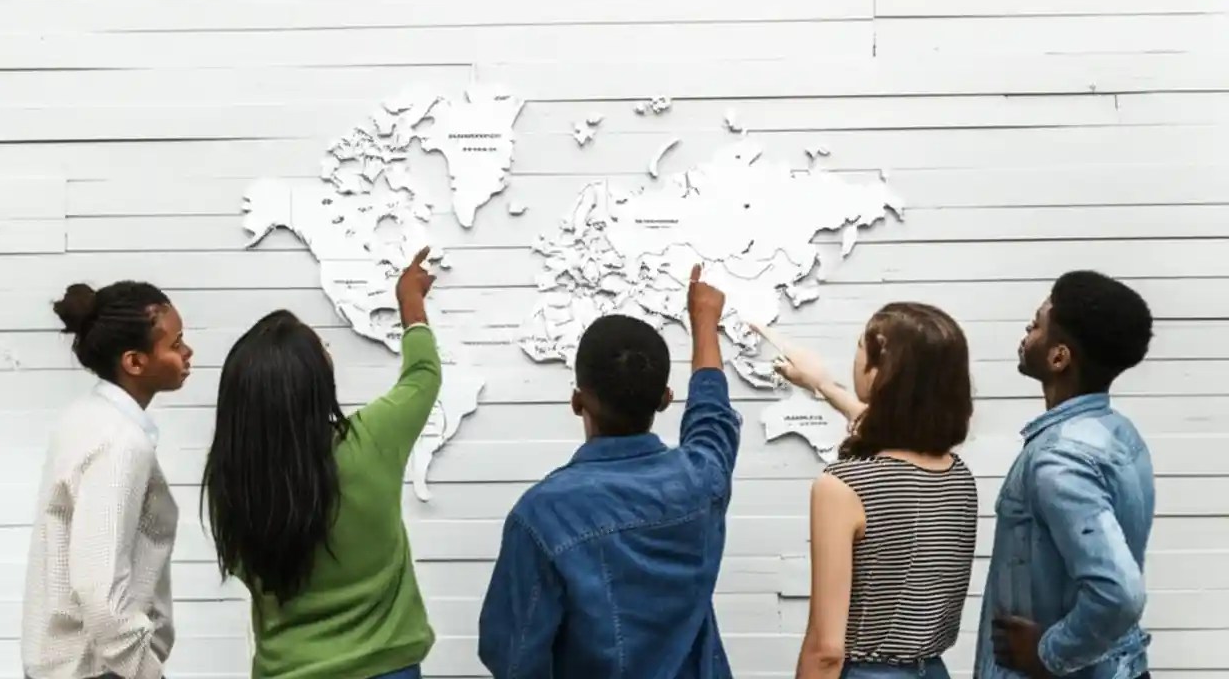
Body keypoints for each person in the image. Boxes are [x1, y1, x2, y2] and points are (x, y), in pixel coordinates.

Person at [477, 265, 742, 678]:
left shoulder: (542, 515)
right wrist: (705, 322)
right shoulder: (700, 480)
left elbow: (512, 658)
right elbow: (712, 416)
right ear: (665, 399)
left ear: (577, 400)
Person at [200, 248, 440, 679]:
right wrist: (411, 303)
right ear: (314, 382)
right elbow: (423, 374)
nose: (329, 351)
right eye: (323, 349)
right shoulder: (372, 440)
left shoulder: (231, 480)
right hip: (386, 668)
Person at [753, 303, 978, 679]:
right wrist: (820, 383)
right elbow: (883, 424)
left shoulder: (844, 486)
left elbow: (826, 650)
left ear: (882, 369)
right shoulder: (958, 476)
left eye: (860, 348)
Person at [976, 270, 1155, 679]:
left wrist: (1049, 654)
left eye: (1037, 323)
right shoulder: (1119, 432)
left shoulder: (1060, 457)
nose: (1027, 328)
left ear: (1059, 357)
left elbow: (1120, 594)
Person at [22, 281, 193, 679]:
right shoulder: (119, 444)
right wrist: (148, 673)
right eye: (175, 344)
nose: (187, 353)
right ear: (134, 362)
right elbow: (101, 595)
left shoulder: (85, 417)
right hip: (99, 671)